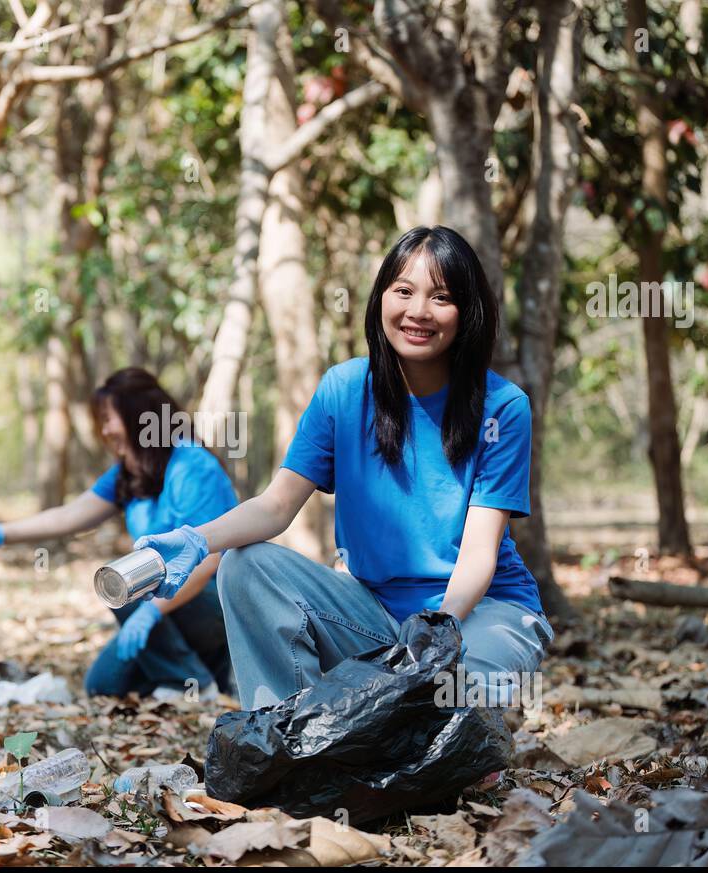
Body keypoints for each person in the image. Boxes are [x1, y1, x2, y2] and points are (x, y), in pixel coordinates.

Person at [132, 226, 555, 711]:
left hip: (480, 613)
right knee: (246, 567)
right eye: (403, 291)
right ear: (381, 299)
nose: (418, 311)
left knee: (442, 715)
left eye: (441, 297)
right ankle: (290, 737)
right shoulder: (344, 388)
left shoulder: (503, 406)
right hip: (371, 615)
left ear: (467, 313)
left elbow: (480, 553)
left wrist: (438, 629)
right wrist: (195, 540)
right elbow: (276, 505)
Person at [0, 368, 238, 700]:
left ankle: (193, 684)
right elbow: (69, 517)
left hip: (216, 602)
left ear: (137, 417)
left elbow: (210, 560)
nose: (104, 430)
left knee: (124, 575)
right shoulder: (129, 475)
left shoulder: (191, 466)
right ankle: (197, 673)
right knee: (103, 686)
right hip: (168, 607)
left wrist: (150, 612)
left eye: (108, 418)